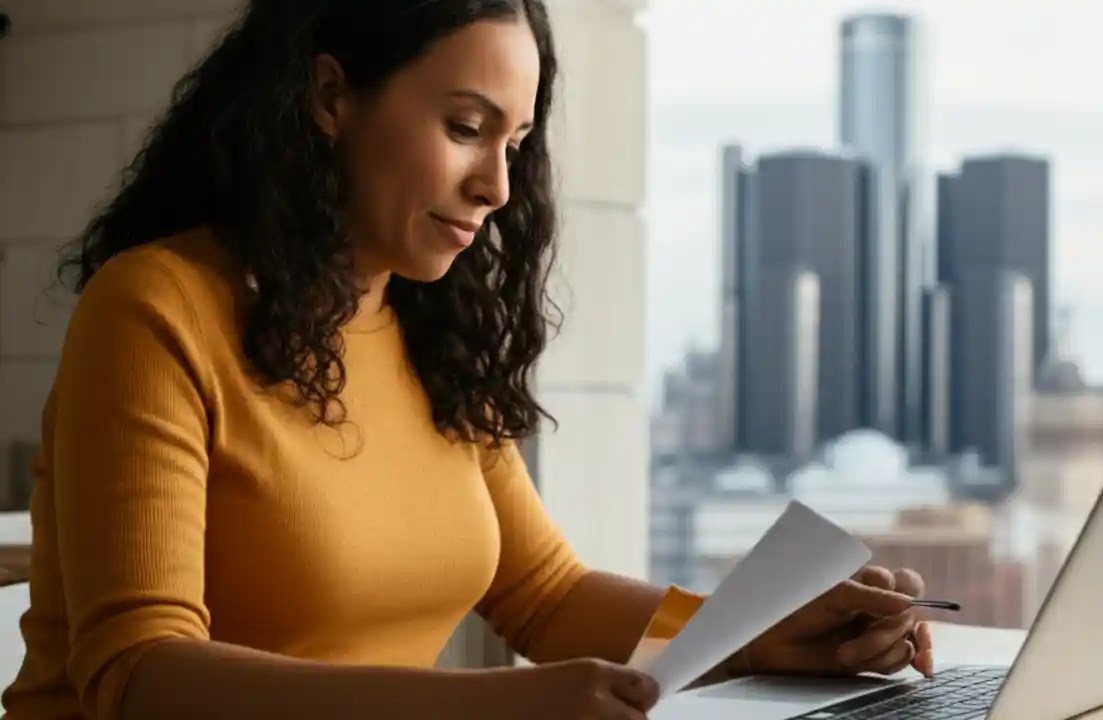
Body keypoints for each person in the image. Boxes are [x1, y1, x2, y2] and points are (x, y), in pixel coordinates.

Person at [0, 1, 933, 718]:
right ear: (330, 98)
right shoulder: (155, 307)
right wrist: (494, 708)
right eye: (465, 128)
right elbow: (139, 674)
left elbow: (547, 596)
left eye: (516, 144)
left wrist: (765, 630)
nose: (496, 186)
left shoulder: (431, 329)